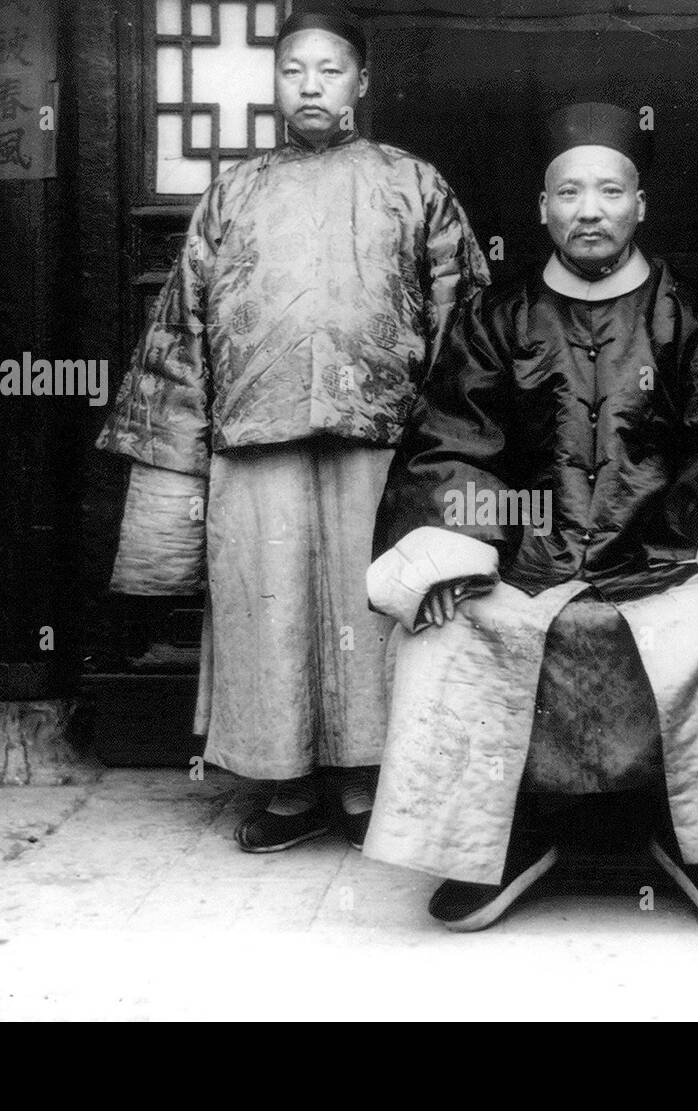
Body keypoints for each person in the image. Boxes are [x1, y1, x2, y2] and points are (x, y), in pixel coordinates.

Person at [363, 102, 698, 931]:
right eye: (568, 193)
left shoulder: (693, 317)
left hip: (661, 563)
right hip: (525, 564)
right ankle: (501, 837)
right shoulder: (495, 321)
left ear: (640, 205)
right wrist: (453, 552)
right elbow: (454, 445)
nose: (588, 210)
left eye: (609, 191)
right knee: (441, 626)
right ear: (542, 209)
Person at [95, 4, 489, 852]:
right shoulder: (233, 191)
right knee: (266, 609)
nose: (311, 85)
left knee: (370, 607)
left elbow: (466, 319)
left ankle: (363, 781)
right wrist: (179, 461)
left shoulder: (414, 183)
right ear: (275, 84)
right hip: (255, 441)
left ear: (361, 83)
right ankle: (286, 788)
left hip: (382, 443)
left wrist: (447, 444)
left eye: (330, 70)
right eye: (293, 70)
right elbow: (184, 332)